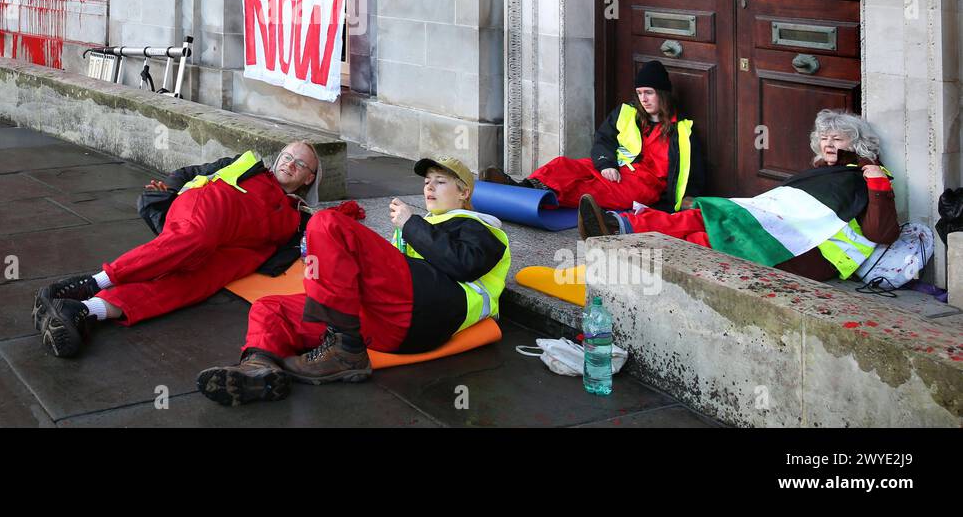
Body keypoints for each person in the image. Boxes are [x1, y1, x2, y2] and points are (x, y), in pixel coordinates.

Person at [195, 156, 511, 407]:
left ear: (464, 192)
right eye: (427, 181)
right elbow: (381, 275)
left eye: (441, 182)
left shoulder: (480, 225)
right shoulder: (421, 225)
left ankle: (345, 349)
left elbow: (462, 263)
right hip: (384, 323)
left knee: (326, 222)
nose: (429, 187)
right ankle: (258, 370)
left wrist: (409, 224)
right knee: (269, 307)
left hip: (433, 310)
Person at [33, 141, 321, 358]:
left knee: (190, 286)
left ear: (309, 178)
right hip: (206, 212)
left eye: (300, 163)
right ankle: (92, 283)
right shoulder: (248, 165)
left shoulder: (298, 217)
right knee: (197, 238)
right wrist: (169, 188)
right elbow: (192, 172)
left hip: (235, 250)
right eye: (287, 156)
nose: (290, 164)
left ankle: (84, 311)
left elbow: (326, 234)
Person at [578, 109, 923, 284]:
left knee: (707, 235)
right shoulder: (825, 172)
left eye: (838, 139)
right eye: (825, 138)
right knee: (707, 215)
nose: (830, 144)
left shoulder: (866, 178)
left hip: (807, 253)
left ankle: (622, 230)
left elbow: (881, 233)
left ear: (856, 144)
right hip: (774, 228)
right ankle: (619, 223)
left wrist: (876, 182)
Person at [483, 60, 704, 212]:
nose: (643, 99)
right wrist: (605, 163)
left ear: (662, 94)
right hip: (615, 165)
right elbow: (603, 139)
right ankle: (523, 187)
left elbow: (691, 171)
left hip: (643, 183)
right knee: (564, 165)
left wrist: (686, 198)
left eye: (649, 93)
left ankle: (533, 197)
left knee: (593, 190)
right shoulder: (627, 112)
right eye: (639, 93)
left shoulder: (683, 130)